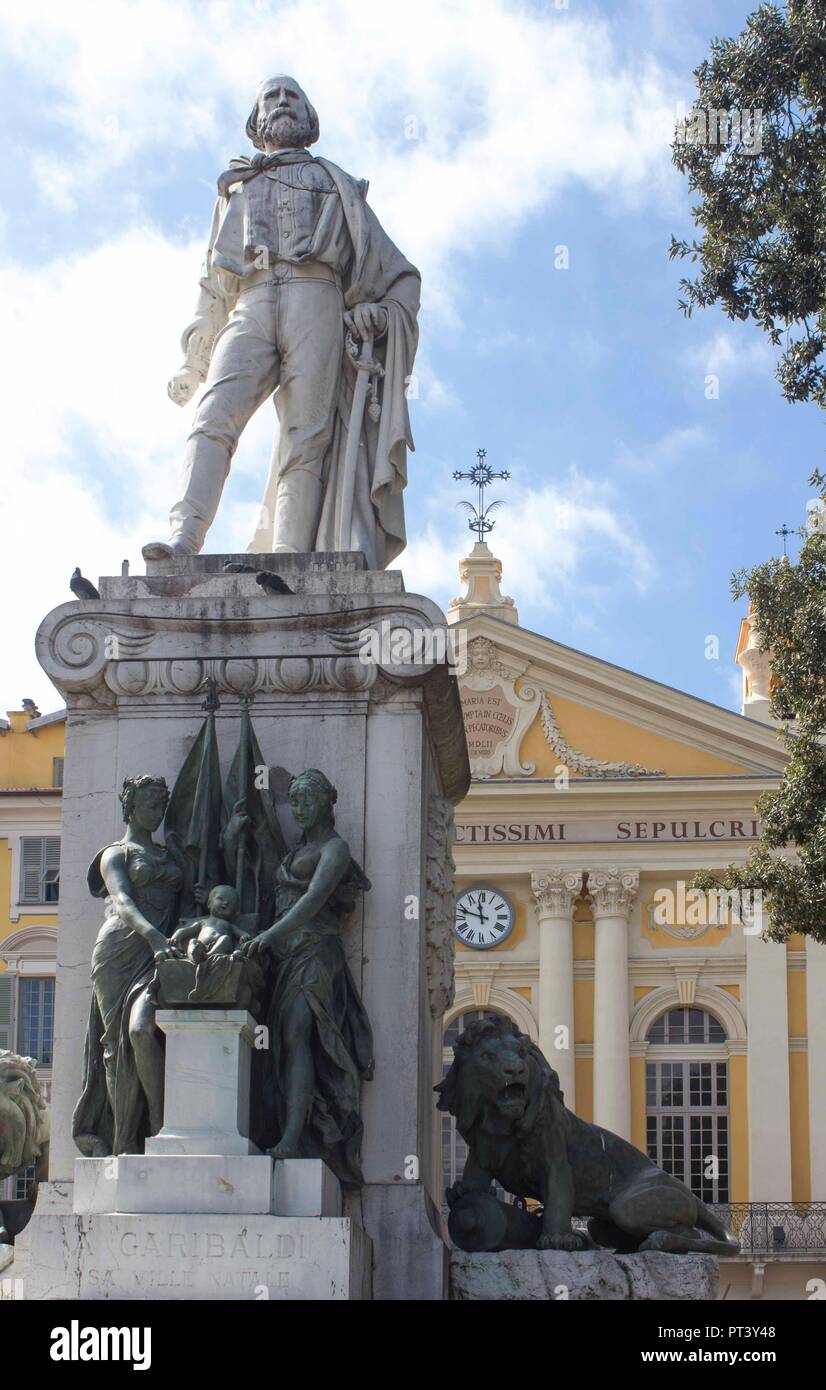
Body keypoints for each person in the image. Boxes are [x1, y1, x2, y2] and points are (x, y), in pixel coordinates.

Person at [142, 75, 420, 568]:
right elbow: (213, 282)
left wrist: (380, 311)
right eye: (273, 96)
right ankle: (182, 537)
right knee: (213, 414)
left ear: (309, 119)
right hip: (252, 298)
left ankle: (291, 555)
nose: (284, 102)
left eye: (294, 96)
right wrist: (193, 360)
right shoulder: (238, 186)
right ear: (257, 119)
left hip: (318, 295)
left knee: (306, 434)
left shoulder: (340, 185)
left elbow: (402, 276)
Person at [236, 768, 373, 1184]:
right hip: (285, 956)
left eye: (307, 798)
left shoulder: (336, 848)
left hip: (315, 951)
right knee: (281, 1042)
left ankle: (294, 1136)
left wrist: (270, 935)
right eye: (294, 800)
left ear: (328, 801)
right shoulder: (295, 850)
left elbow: (315, 899)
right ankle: (288, 1128)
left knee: (297, 1033)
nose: (299, 807)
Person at [73, 775, 183, 1156]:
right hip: (119, 952)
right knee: (115, 1047)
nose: (158, 813)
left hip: (161, 954)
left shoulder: (171, 856)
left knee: (140, 1030)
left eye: (162, 806)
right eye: (151, 805)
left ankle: (158, 1124)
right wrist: (154, 937)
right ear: (131, 806)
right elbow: (120, 900)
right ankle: (123, 1141)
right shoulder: (115, 854)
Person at [169, 883, 249, 962]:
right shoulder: (203, 922)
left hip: (220, 948)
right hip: (202, 946)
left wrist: (245, 937)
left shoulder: (229, 925)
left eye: (231, 903)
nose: (225, 903)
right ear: (209, 903)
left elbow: (244, 934)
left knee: (225, 939)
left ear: (235, 912)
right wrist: (175, 938)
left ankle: (208, 956)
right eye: (220, 898)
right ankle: (194, 956)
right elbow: (185, 931)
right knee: (193, 941)